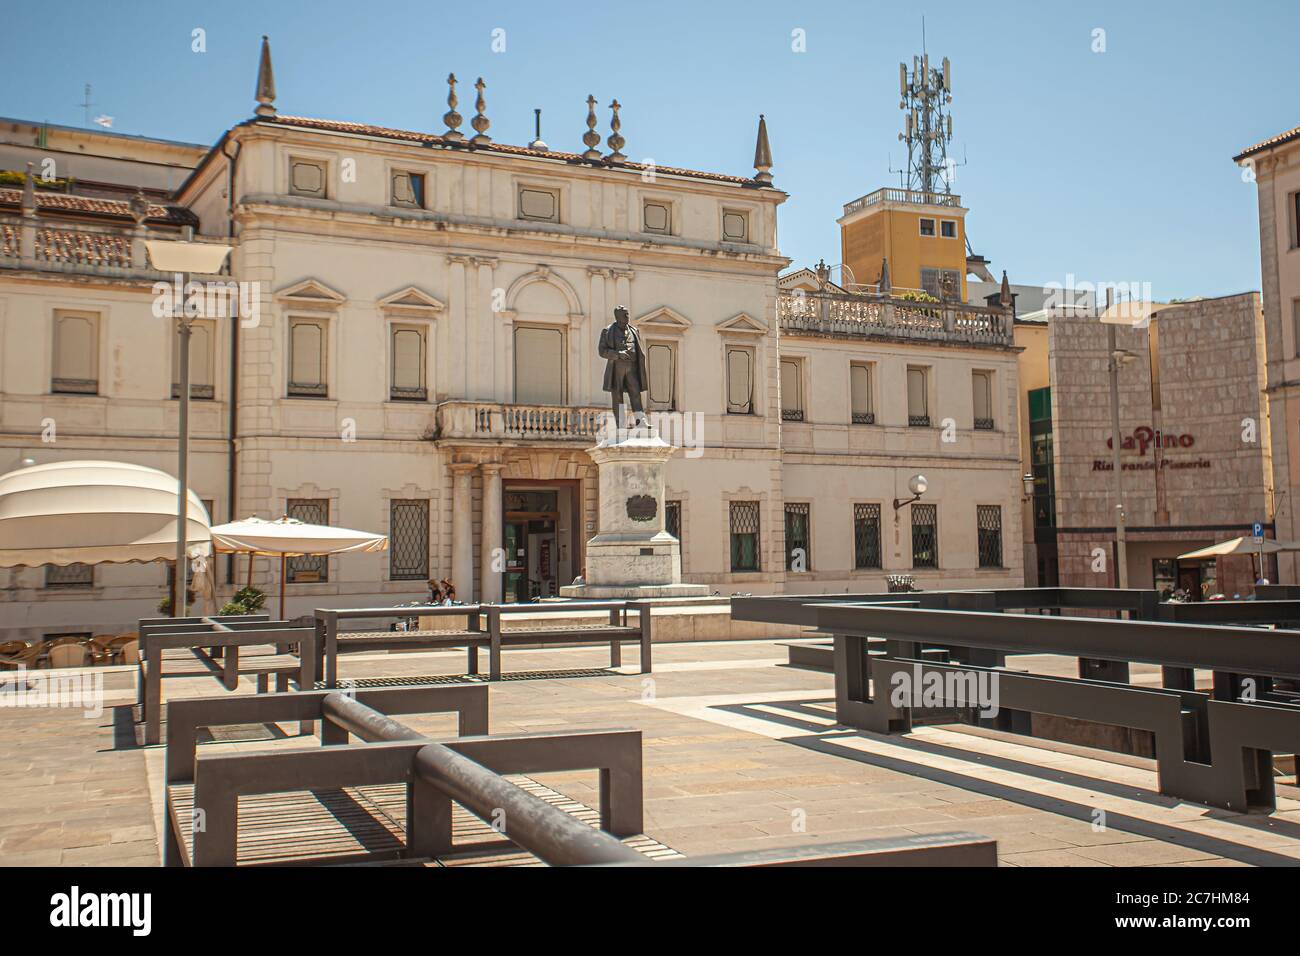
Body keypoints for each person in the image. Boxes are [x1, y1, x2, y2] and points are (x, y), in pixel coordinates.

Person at [598, 305, 649, 429]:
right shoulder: (608, 331)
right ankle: (620, 424)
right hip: (617, 367)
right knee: (617, 395)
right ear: (617, 317)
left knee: (635, 393)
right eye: (625, 315)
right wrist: (617, 354)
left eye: (627, 314)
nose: (627, 317)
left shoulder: (634, 331)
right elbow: (602, 351)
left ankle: (641, 421)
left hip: (632, 368)